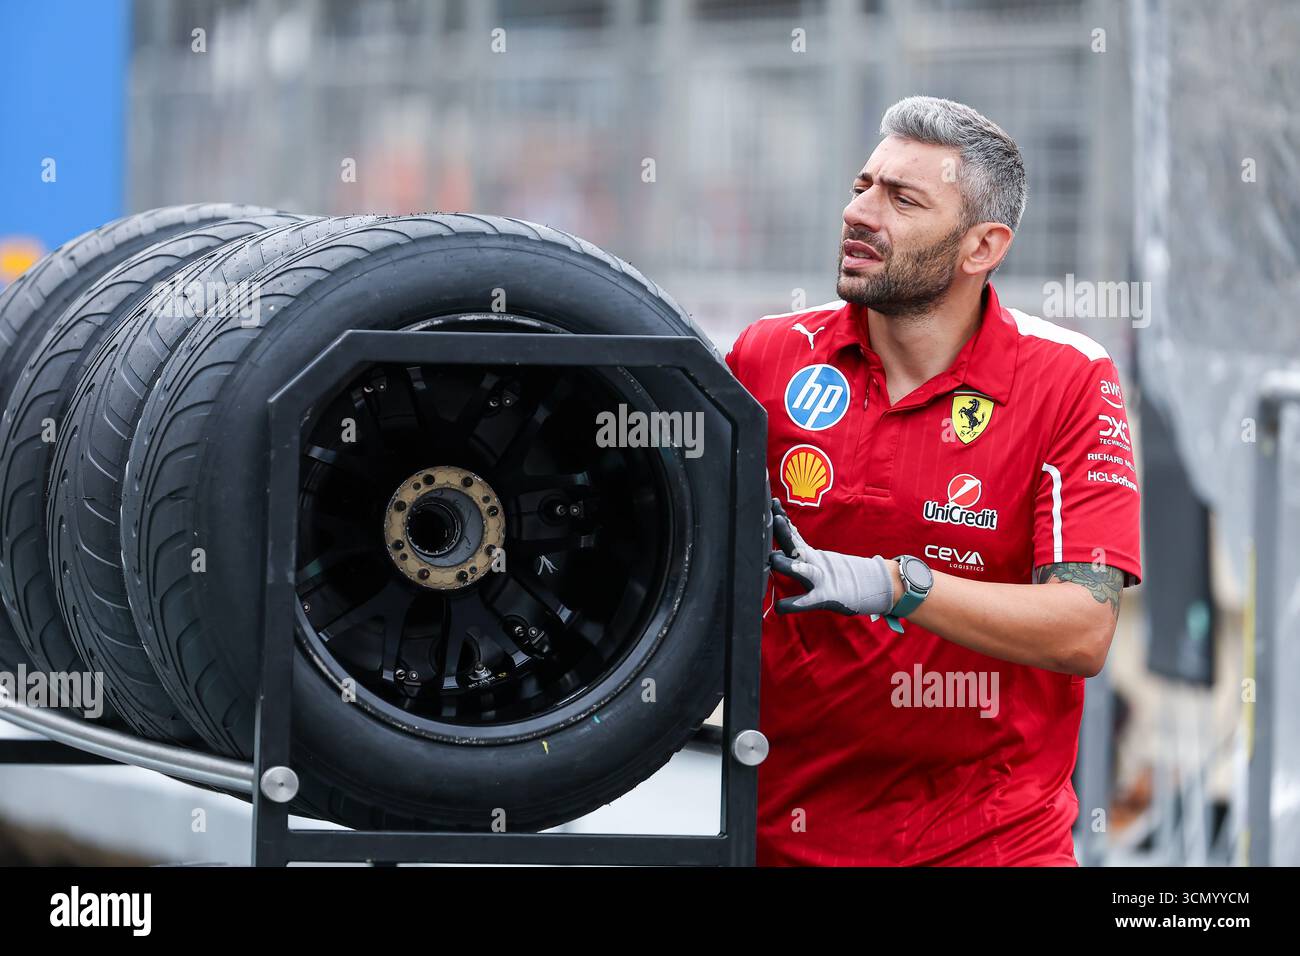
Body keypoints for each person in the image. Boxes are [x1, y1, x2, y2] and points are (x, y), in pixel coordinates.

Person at [723, 95, 1142, 866]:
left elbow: (1084, 629)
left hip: (995, 842)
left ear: (982, 245)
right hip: (785, 838)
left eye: (901, 198)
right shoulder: (768, 356)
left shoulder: (1069, 379)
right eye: (862, 186)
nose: (860, 212)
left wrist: (896, 586)